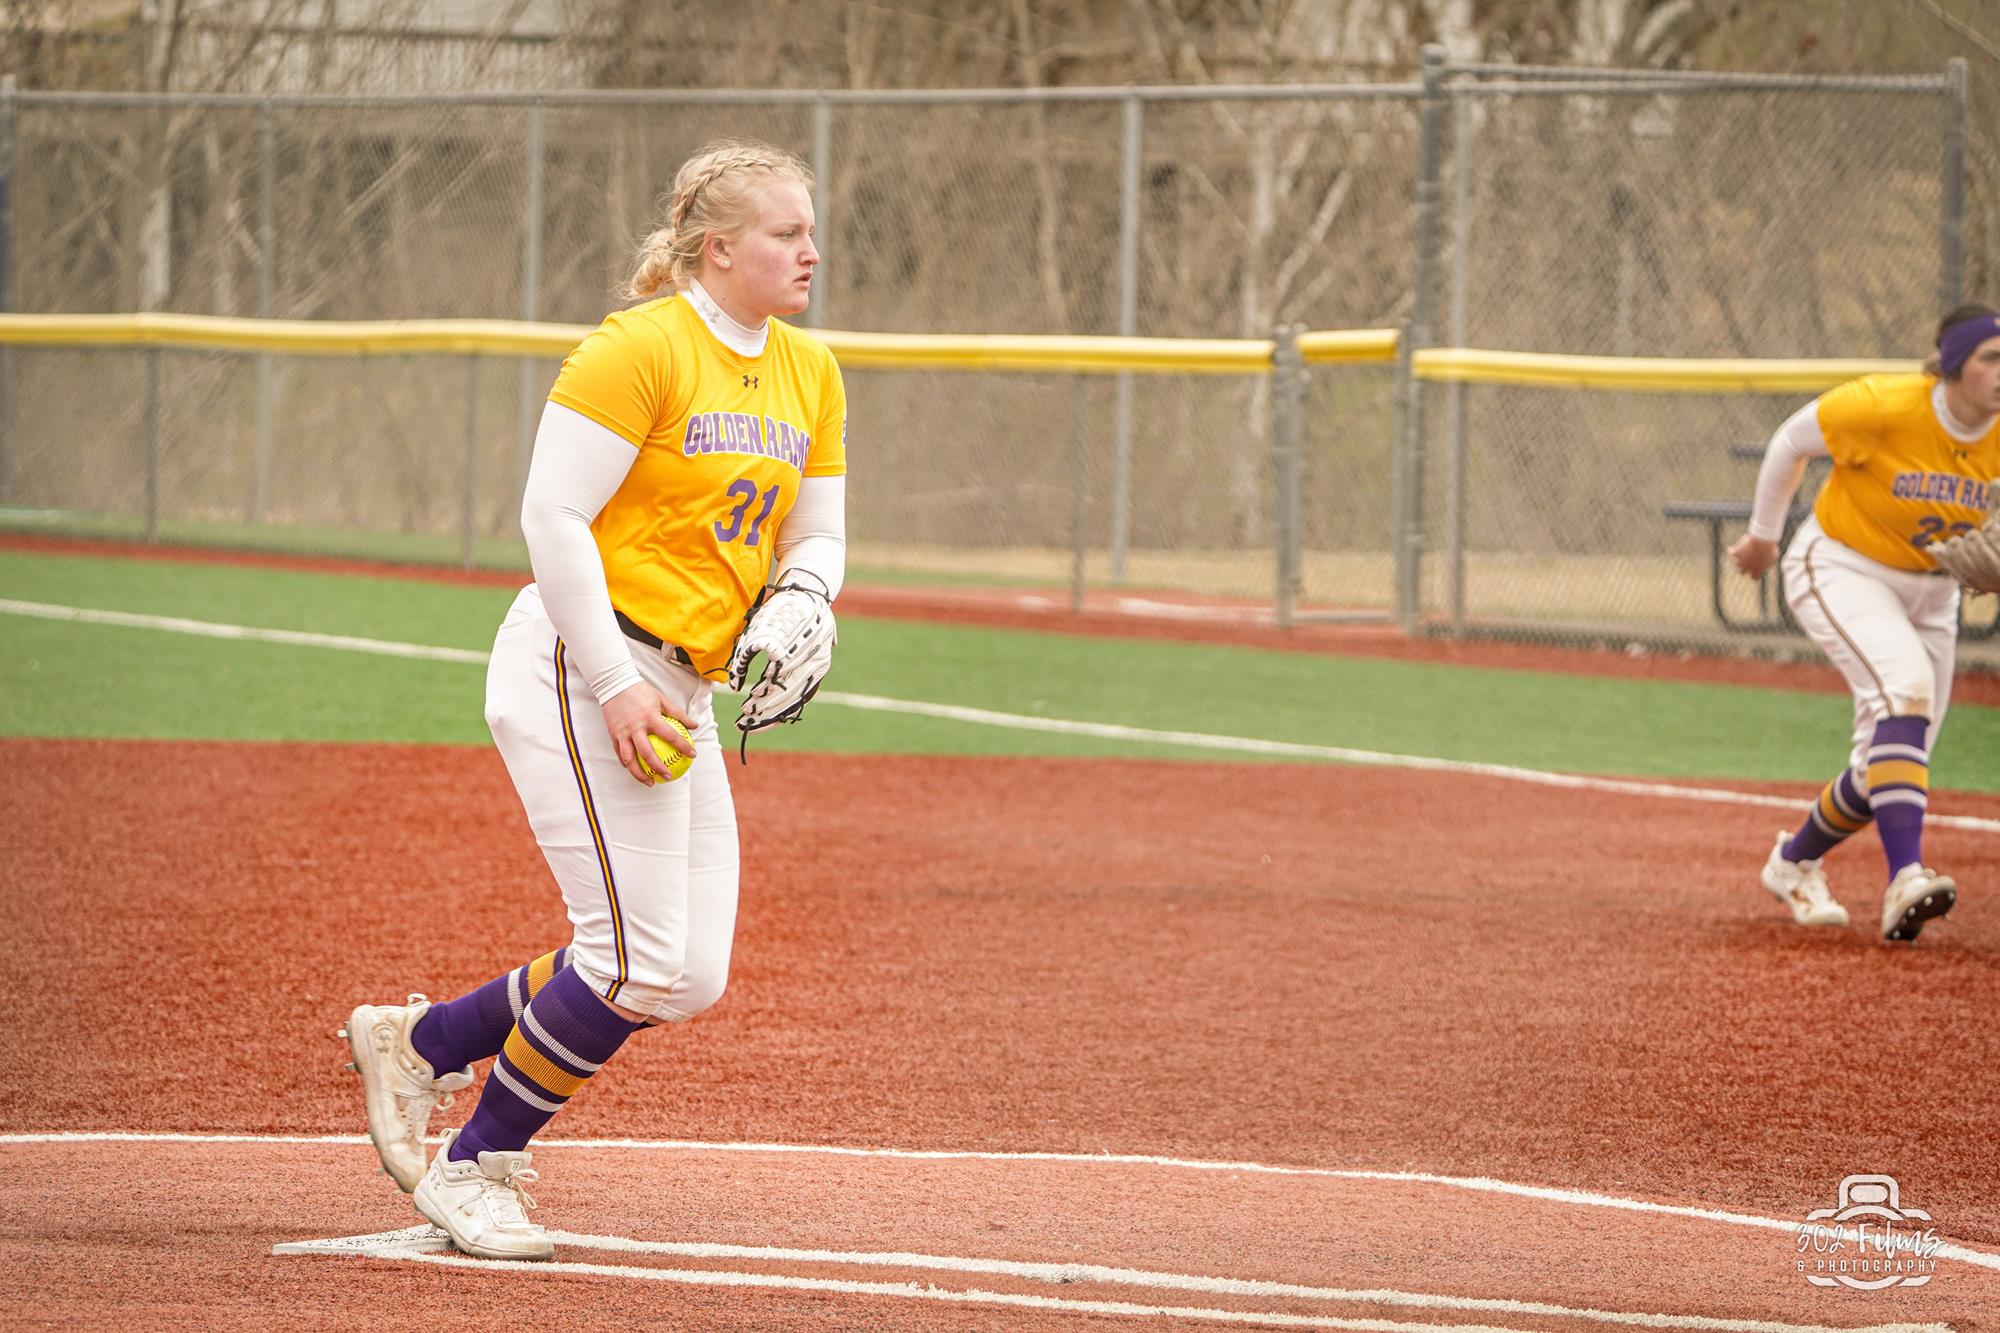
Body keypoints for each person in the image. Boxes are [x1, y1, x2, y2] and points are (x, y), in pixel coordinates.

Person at [340, 139, 848, 1259]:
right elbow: (551, 518)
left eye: (809, 230)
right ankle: (474, 1167)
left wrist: (804, 594)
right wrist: (615, 682)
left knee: (687, 971)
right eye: (784, 233)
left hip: (681, 683)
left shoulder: (809, 371)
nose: (811, 251)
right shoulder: (642, 347)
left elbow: (815, 527)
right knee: (633, 956)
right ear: (717, 249)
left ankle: (422, 1040)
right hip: (586, 661)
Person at [1729, 303, 2000, 942]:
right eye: (1992, 358)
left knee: (1891, 762)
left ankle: (1793, 862)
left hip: (1934, 593)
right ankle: (1906, 876)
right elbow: (1791, 442)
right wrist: (1763, 538)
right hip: (1843, 566)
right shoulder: (1883, 405)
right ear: (1957, 365)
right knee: (1905, 690)